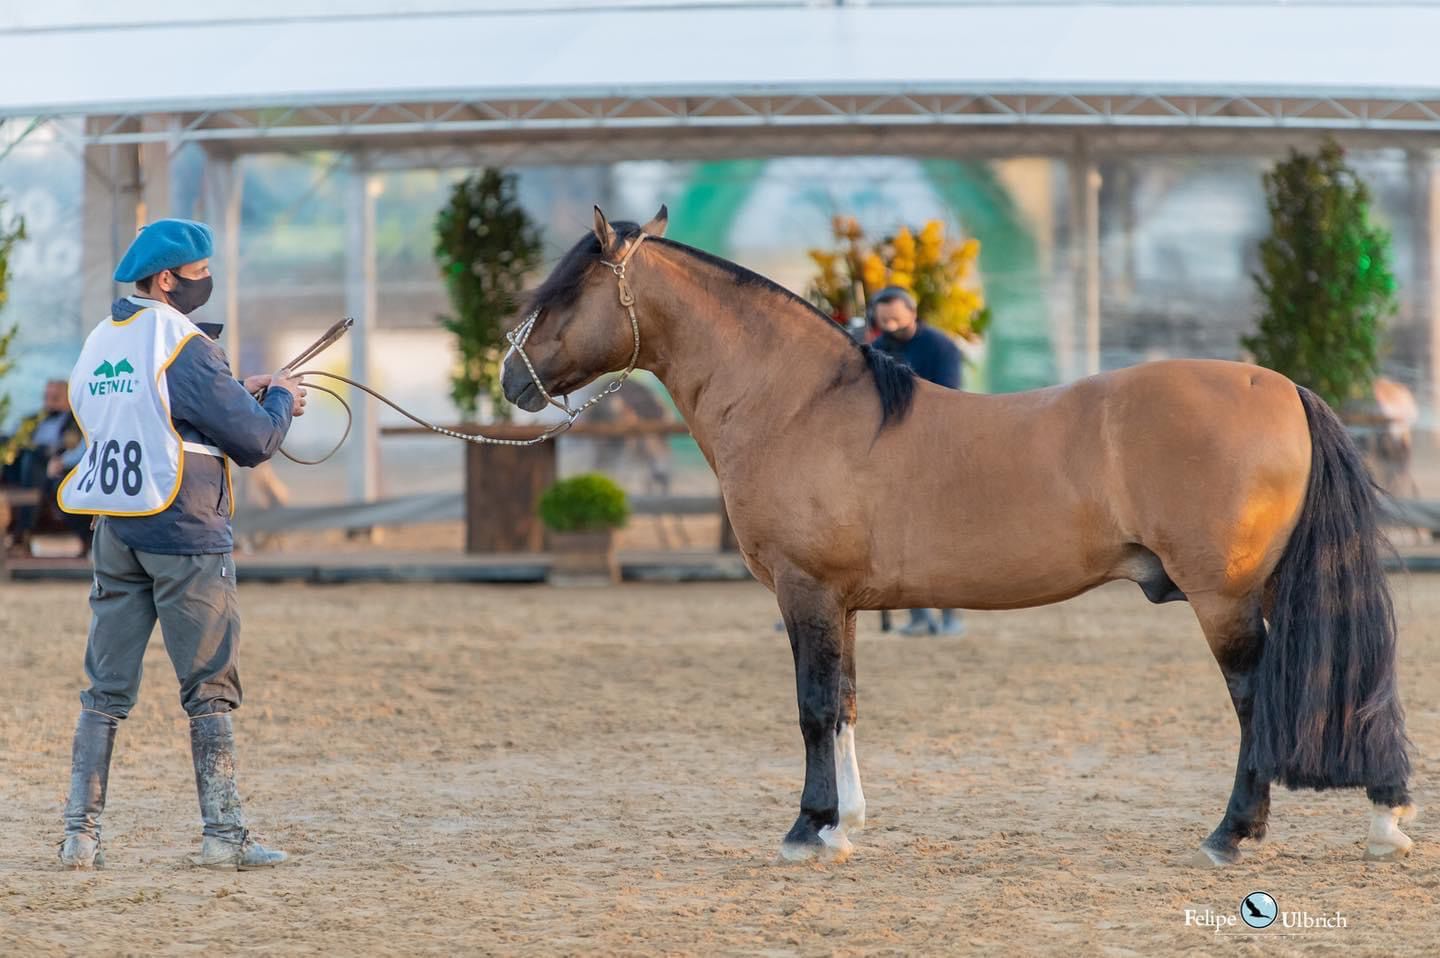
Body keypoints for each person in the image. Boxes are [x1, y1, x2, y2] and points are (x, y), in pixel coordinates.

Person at [54, 218, 306, 870]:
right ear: (167, 279)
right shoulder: (184, 341)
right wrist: (278, 396)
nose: (205, 285)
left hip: (116, 529)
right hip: (186, 530)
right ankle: (223, 834)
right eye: (199, 276)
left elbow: (150, 411)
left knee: (104, 690)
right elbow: (253, 442)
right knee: (209, 689)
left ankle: (80, 838)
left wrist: (233, 391)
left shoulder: (102, 338)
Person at [870, 286, 967, 637]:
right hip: (896, 455)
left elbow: (951, 398)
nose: (891, 326)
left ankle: (950, 614)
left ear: (913, 313)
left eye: (896, 318)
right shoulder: (878, 349)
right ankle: (918, 613)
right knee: (901, 535)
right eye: (884, 321)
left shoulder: (940, 348)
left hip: (939, 449)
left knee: (943, 533)